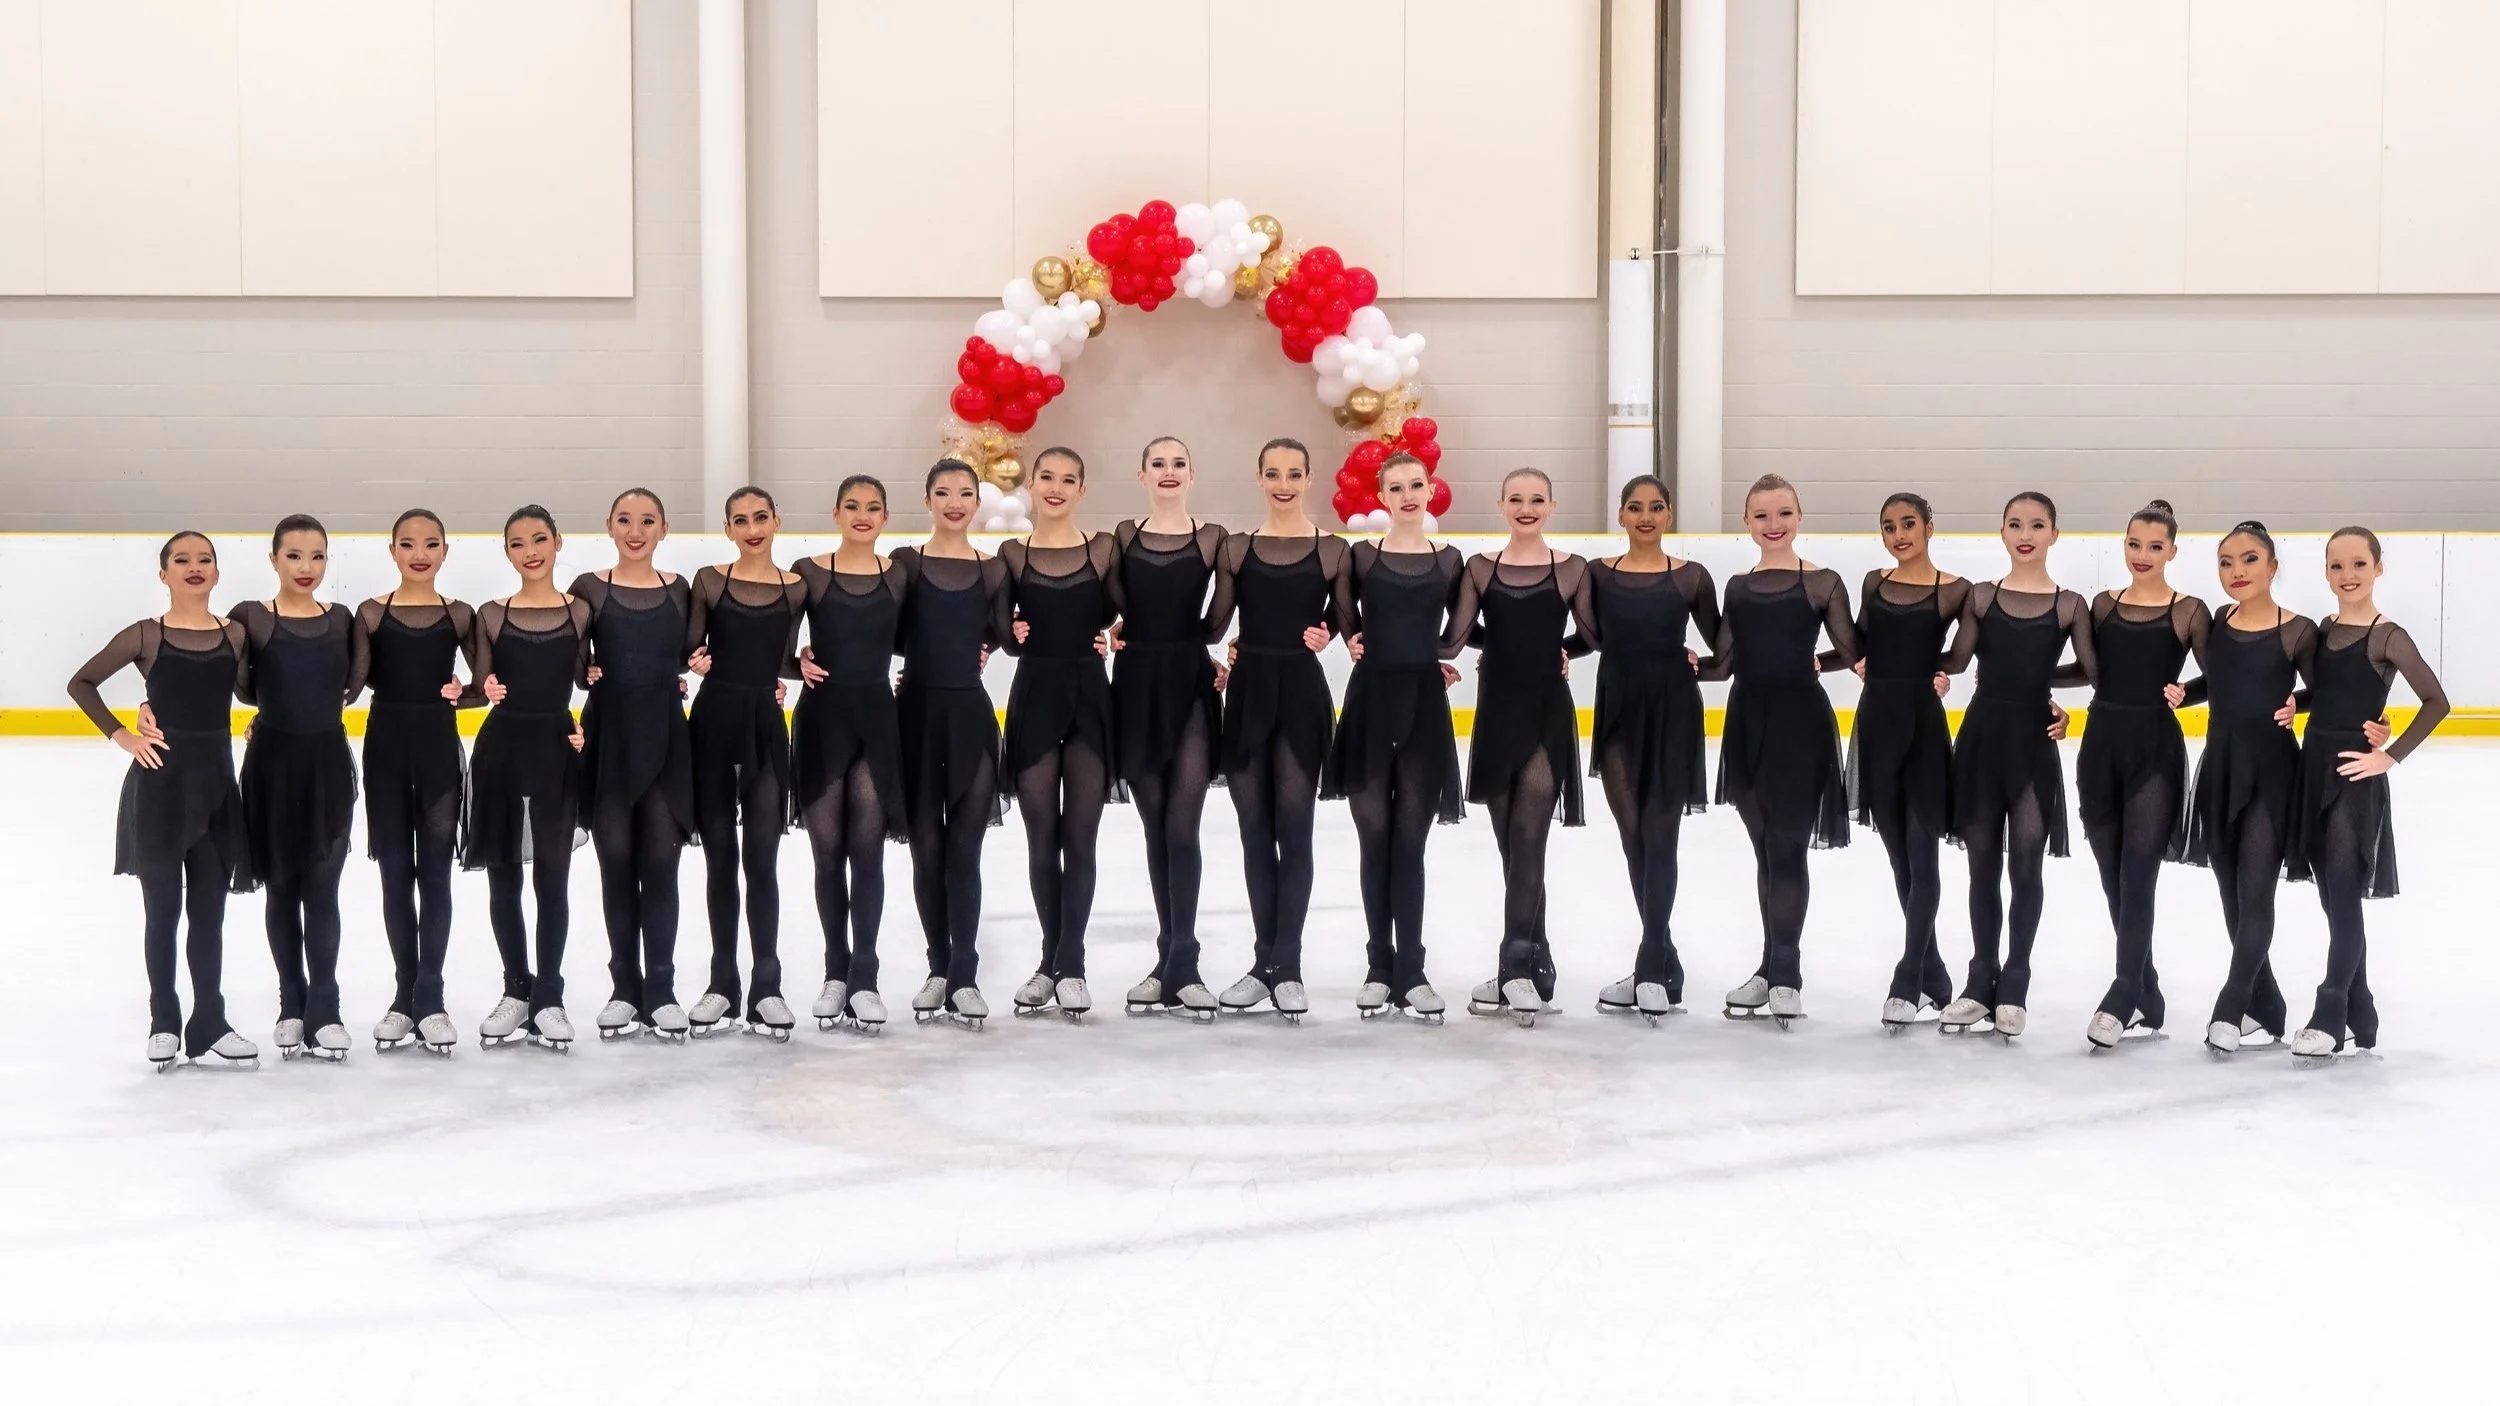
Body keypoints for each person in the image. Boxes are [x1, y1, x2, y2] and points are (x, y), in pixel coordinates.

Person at [67, 532, 260, 1069]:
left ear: (218, 573)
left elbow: (255, 690)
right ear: (164, 574)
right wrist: (121, 735)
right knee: (162, 911)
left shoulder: (236, 635)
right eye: (182, 560)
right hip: (159, 786)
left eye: (205, 560)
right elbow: (81, 683)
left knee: (209, 913)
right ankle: (164, 1022)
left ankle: (211, 1022)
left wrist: (262, 721)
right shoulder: (146, 635)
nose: (194, 567)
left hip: (217, 786)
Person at [1696, 475, 1859, 1025]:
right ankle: (1770, 966)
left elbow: (1854, 652)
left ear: (1799, 516)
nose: (1773, 525)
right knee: (1765, 849)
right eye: (1761, 515)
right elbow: (1720, 666)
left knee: (1787, 848)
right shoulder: (1738, 587)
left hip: (1799, 724)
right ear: (1746, 523)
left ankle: (1786, 971)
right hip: (1748, 723)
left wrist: (1824, 662)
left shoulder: (1823, 583)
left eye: (1783, 513)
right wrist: (1665, 658)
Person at [1932, 492, 2096, 1039]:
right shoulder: (1981, 597)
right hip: (1981, 742)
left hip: (2031, 746)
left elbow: (2095, 671)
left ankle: (2016, 983)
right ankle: (1980, 981)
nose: (2026, 533)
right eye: (2015, 524)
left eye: (2038, 524)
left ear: (2054, 533)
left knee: (2026, 866)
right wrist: (1897, 658)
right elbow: (1956, 660)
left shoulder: (2070, 605)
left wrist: (2048, 694)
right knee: (1981, 867)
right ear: (2001, 532)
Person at [2287, 527, 2446, 1056]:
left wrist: (2390, 753)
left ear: (2377, 567)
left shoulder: (2387, 635)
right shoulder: (2326, 629)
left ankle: (2331, 1010)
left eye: (2358, 564)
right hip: (2313, 767)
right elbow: (2327, 693)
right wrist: (2297, 706)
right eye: (2336, 566)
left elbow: (2435, 702)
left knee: (2344, 892)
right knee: (2334, 897)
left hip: (2355, 776)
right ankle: (2363, 1011)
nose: (2347, 575)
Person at [1208, 438, 1349, 1022]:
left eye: (1294, 472)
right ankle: (1264, 961)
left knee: (1294, 828)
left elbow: (1346, 619)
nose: (1284, 482)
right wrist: (1123, 627)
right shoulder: (1238, 548)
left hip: (1299, 695)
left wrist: (1328, 635)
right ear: (1259, 478)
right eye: (1273, 473)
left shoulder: (1333, 549)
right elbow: (1214, 621)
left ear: (1309, 477)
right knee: (1252, 830)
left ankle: (1286, 964)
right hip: (1246, 692)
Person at [1451, 467, 1594, 1027]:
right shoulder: (1480, 569)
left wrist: (1555, 649)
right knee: (1512, 850)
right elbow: (1457, 634)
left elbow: (1592, 635)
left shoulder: (1571, 569)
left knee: (1530, 840)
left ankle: (1513, 967)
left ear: (1552, 506)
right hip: (1496, 713)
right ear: (1501, 504)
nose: (1526, 507)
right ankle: (1540, 963)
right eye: (1516, 499)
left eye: (1537, 499)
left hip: (1544, 712)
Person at [1326, 453, 1466, 1021]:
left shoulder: (1451, 560)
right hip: (1369, 703)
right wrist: (1351, 638)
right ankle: (1378, 966)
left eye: (1416, 485)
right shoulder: (1361, 555)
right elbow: (1340, 616)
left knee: (1411, 842)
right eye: (1396, 487)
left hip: (1424, 707)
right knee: (1374, 841)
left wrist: (1439, 658)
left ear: (1430, 490)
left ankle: (1412, 968)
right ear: (1381, 497)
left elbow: (1462, 631)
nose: (1408, 494)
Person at [233, 515, 368, 1061]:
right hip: (271, 765)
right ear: (273, 560)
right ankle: (292, 1004)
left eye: (317, 556)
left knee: (322, 889)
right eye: (293, 556)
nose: (306, 567)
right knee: (282, 888)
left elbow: (353, 687)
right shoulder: (250, 618)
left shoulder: (343, 620)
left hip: (326, 765)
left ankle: (326, 1007)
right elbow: (230, 679)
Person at [2074, 501, 2207, 1049]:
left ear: (2173, 551)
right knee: (2112, 876)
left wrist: (2187, 692)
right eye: (2135, 545)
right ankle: (2147, 992)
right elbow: (2088, 672)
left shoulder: (2189, 610)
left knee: (2138, 875)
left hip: (2155, 749)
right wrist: (2019, 681)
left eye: (2156, 547)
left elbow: (2224, 676)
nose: (2143, 556)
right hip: (2100, 744)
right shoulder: (2102, 605)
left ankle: (2123, 990)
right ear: (2123, 545)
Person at [997, 448, 1123, 1020]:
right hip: (1036, 696)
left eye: (1068, 479)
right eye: (1046, 477)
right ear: (1030, 483)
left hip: (1090, 699)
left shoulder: (1102, 550)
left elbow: (1134, 611)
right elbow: (998, 630)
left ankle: (1070, 963)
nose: (1056, 487)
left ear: (1082, 489)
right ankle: (1052, 959)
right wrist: (1010, 630)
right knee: (1041, 838)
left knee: (1082, 836)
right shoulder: (1013, 553)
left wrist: (1116, 634)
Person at [1587, 476, 1716, 1024]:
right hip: (1617, 710)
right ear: (1620, 515)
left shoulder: (1690, 577)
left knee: (1661, 836)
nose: (1645, 515)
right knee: (1633, 835)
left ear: (1669, 515)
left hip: (1671, 711)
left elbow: (1726, 649)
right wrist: (1549, 656)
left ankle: (1649, 964)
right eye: (1635, 507)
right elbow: (1588, 637)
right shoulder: (1598, 575)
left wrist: (1700, 667)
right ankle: (1664, 961)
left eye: (1656, 507)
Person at [570, 489, 697, 1042]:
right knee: (615, 866)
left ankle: (662, 988)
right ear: (609, 525)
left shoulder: (680, 591)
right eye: (625, 519)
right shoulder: (590, 590)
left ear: (664, 529)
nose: (635, 530)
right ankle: (625, 987)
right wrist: (586, 673)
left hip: (667, 737)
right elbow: (568, 660)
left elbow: (700, 653)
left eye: (647, 521)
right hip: (610, 741)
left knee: (661, 866)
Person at [2184, 521, 2313, 1053]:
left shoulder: (2298, 629)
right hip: (2220, 766)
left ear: (2273, 567)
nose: (2237, 572)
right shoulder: (2219, 620)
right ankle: (2270, 1004)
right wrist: (2182, 693)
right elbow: (2217, 683)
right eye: (2226, 562)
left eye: (2249, 560)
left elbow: (2327, 691)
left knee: (2256, 889)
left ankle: (2231, 1004)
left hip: (2271, 771)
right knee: (2230, 894)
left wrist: (2297, 704)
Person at [465, 506, 590, 1051]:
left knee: (552, 878)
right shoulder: (491, 615)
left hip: (558, 747)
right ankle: (517, 988)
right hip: (502, 747)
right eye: (518, 543)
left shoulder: (582, 611)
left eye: (540, 539)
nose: (530, 550)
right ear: (507, 552)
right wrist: (479, 689)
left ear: (558, 543)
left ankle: (550, 997)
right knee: (505, 875)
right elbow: (476, 684)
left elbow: (594, 673)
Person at [1111, 438, 1227, 1020]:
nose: (1168, 472)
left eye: (1179, 462)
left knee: (1183, 827)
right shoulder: (1122, 537)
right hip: (1134, 687)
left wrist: (1234, 655)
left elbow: (1216, 621)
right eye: (1157, 463)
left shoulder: (1213, 538)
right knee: (1155, 831)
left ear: (1192, 472)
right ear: (1142, 474)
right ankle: (1167, 961)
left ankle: (1186, 959)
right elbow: (1103, 605)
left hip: (1188, 681)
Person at [894, 461, 1013, 1028]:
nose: (954, 501)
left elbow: (1006, 636)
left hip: (969, 715)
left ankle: (964, 973)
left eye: (965, 493)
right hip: (913, 715)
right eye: (943, 492)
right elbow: (878, 629)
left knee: (964, 851)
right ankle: (937, 966)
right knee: (928, 851)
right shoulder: (906, 564)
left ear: (978, 502)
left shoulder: (993, 570)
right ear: (927, 498)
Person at [684, 488, 805, 1039]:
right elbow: (686, 649)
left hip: (763, 724)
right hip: (712, 725)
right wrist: (693, 658)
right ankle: (721, 984)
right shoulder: (709, 581)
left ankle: (768, 986)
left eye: (761, 517)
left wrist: (802, 662)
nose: (752, 527)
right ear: (727, 528)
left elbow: (792, 658)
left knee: (762, 861)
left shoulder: (797, 588)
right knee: (719, 862)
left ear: (777, 521)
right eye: (740, 520)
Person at [358, 509, 478, 1055]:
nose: (419, 553)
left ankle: (431, 994)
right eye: (408, 544)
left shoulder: (459, 615)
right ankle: (404, 995)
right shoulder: (371, 613)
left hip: (436, 750)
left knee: (434, 872)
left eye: (431, 543)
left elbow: (488, 684)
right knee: (394, 875)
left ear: (446, 552)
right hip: (385, 750)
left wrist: (464, 692)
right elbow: (346, 682)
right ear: (392, 551)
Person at [793, 475, 907, 1034]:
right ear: (835, 513)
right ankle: (834, 970)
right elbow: (770, 635)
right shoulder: (810, 571)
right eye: (852, 506)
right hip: (821, 719)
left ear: (886, 517)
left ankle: (865, 974)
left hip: (877, 720)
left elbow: (924, 635)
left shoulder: (900, 575)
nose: (863, 515)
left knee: (867, 851)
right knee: (827, 853)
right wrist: (796, 662)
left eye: (874, 507)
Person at [1848, 492, 1963, 1030]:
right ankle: (1935, 974)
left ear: (1930, 527)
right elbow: (1859, 645)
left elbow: (1966, 655)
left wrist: (1944, 671)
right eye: (1889, 525)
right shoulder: (1874, 582)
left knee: (1924, 858)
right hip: (1877, 725)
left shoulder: (1954, 591)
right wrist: (1815, 659)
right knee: (1900, 859)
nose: (1899, 534)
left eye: (1909, 524)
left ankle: (1907, 976)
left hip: (1922, 727)